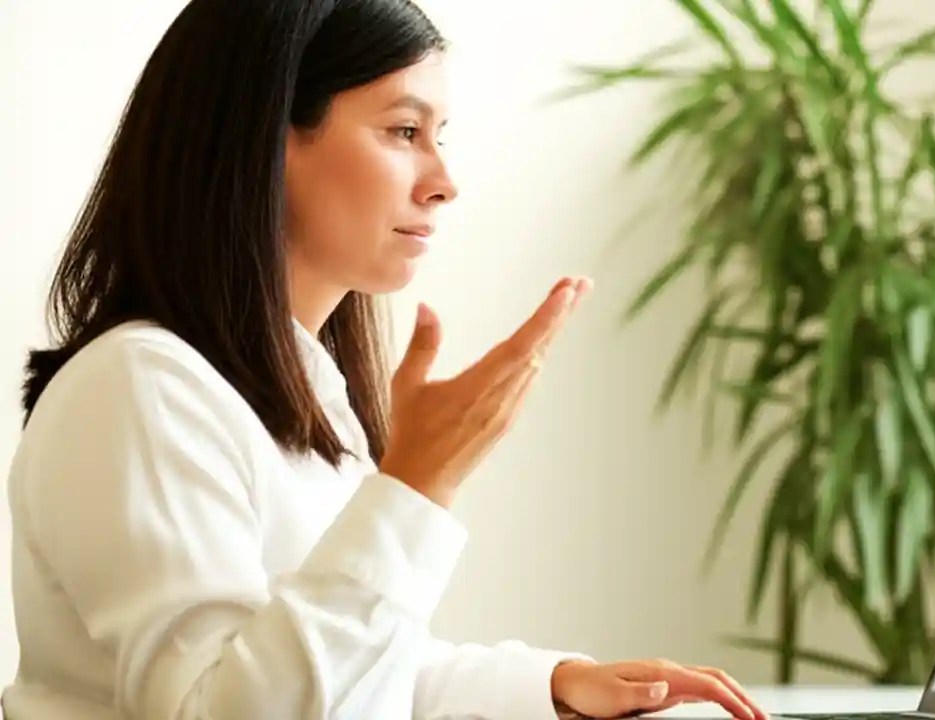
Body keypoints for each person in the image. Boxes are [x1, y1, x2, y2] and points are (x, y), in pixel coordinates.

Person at [1, 2, 766, 719]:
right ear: (265, 139)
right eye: (404, 131)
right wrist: (416, 484)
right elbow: (231, 707)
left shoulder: (298, 394)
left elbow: (351, 674)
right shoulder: (139, 387)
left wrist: (553, 686)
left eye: (441, 137)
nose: (443, 182)